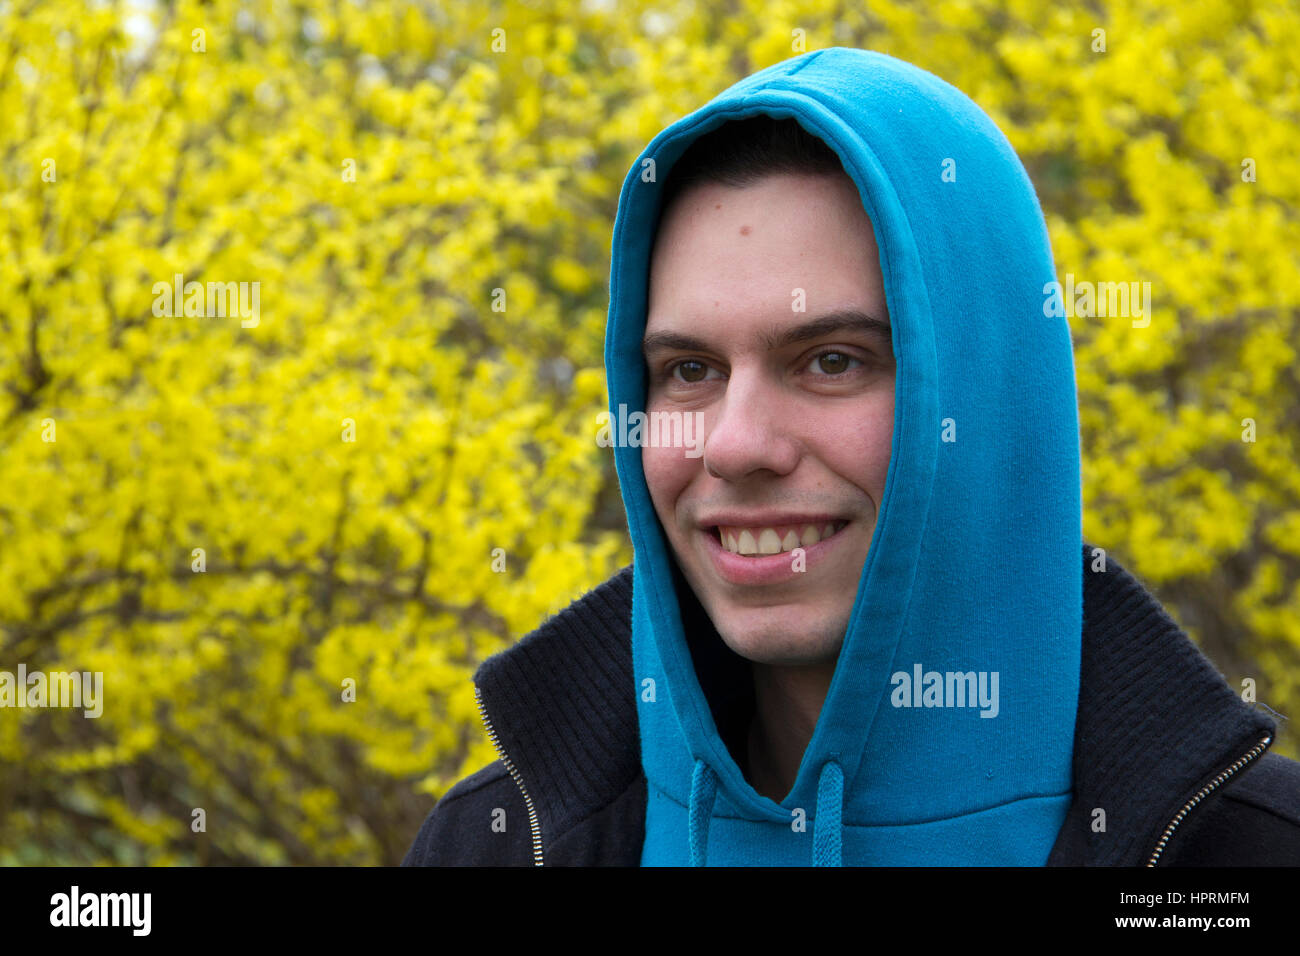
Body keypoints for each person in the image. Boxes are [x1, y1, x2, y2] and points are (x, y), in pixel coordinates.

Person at [403, 48, 1300, 866]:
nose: (737, 444)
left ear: (986, 392)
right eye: (687, 370)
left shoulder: (1235, 860)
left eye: (832, 361)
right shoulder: (496, 844)